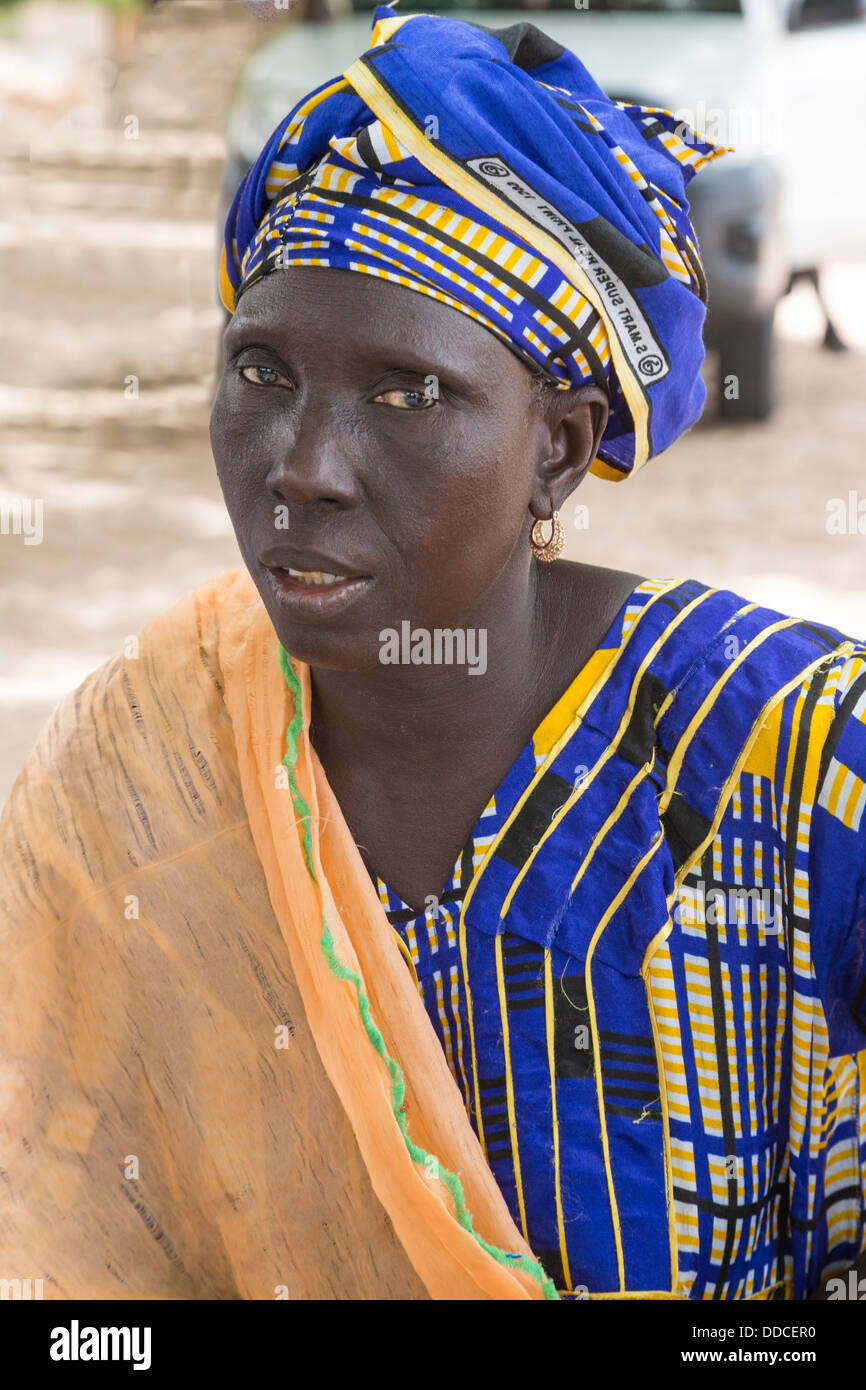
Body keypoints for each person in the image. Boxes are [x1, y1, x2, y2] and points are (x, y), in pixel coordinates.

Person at [1, 6, 864, 1301]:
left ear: (558, 451)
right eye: (261, 371)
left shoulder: (799, 765)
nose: (302, 469)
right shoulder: (139, 785)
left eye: (406, 393)